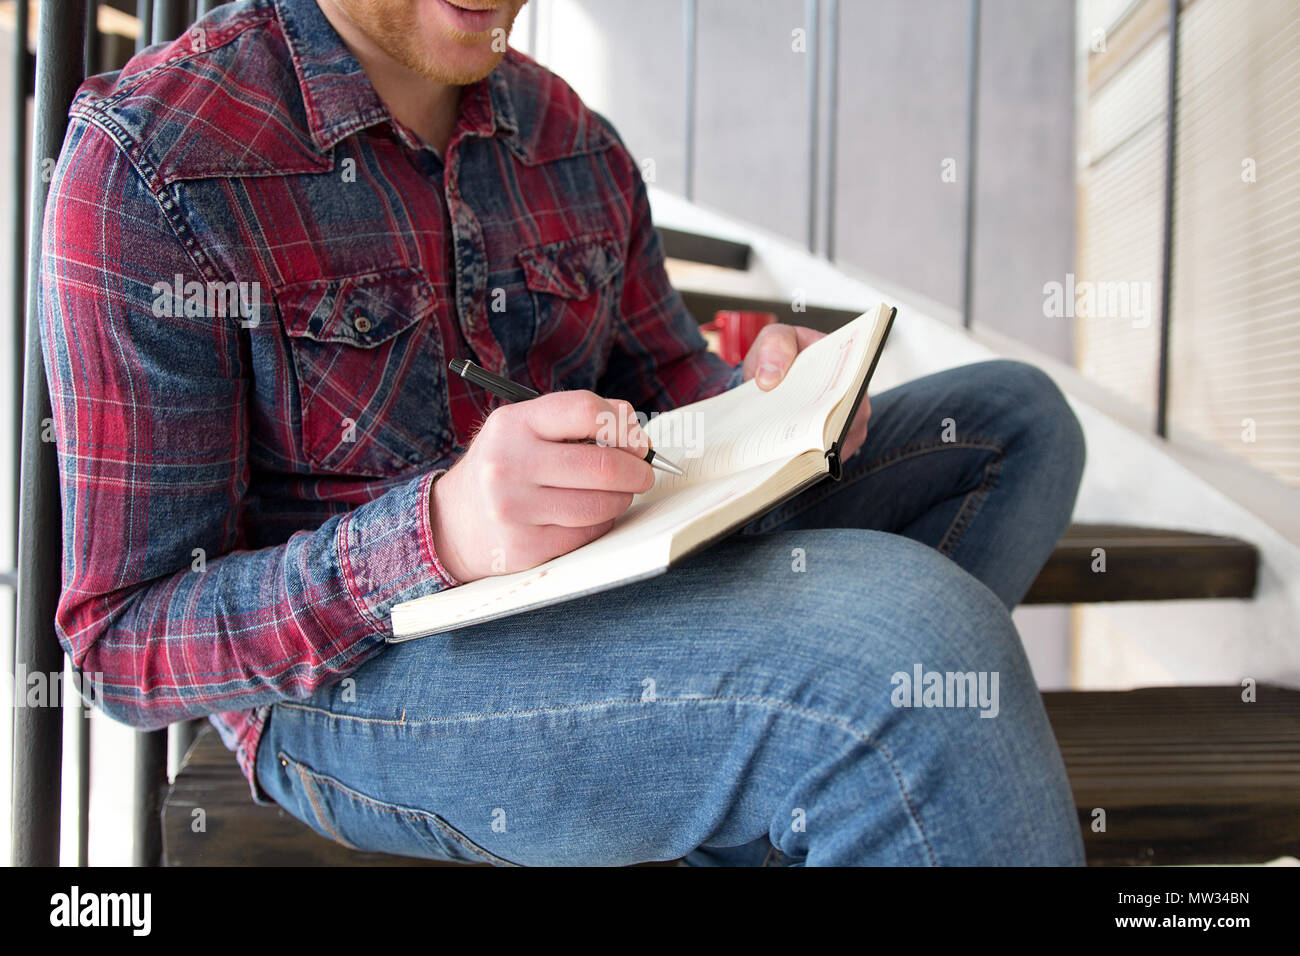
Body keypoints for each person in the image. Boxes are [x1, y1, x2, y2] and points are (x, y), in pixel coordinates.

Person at [40, 0, 1087, 865]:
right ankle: (815, 764)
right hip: (354, 680)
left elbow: (672, 380)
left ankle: (768, 788)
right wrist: (432, 537)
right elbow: (123, 645)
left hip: (617, 569)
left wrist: (775, 393)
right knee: (908, 646)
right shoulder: (152, 162)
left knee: (1014, 421)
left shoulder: (571, 138)